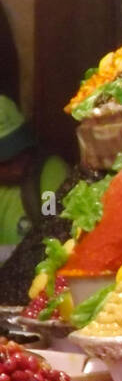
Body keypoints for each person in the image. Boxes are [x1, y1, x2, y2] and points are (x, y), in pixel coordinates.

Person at [0, 96, 70, 263]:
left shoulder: (49, 175)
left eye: (20, 153)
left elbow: (54, 232)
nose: (17, 169)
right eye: (5, 161)